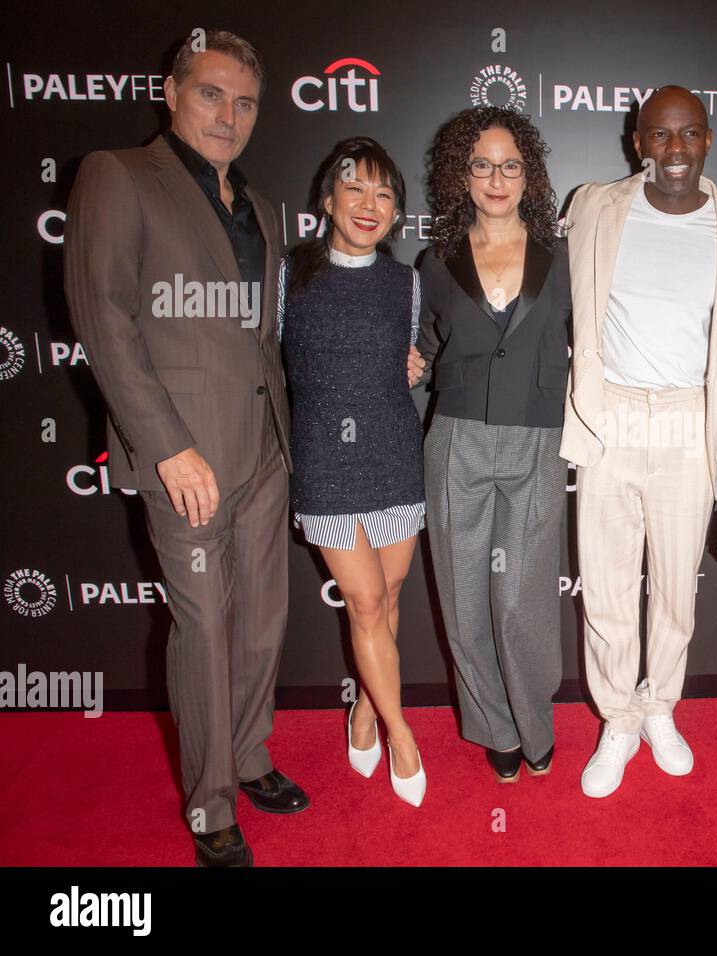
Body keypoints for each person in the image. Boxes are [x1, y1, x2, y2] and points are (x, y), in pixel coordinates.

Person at [63, 30, 307, 867]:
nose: (227, 116)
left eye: (244, 103)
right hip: (187, 460)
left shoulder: (264, 209)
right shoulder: (119, 176)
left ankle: (249, 756)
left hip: (265, 452)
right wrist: (166, 447)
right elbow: (105, 322)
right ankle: (210, 803)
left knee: (262, 623)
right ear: (171, 92)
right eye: (210, 94)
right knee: (204, 629)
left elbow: (263, 337)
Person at [562, 86, 717, 798]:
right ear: (638, 143)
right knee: (609, 584)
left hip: (689, 419)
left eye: (689, 135)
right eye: (660, 136)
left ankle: (660, 708)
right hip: (610, 413)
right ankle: (618, 718)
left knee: (677, 588)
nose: (674, 150)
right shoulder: (596, 207)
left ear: (709, 139)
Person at [409, 107, 570, 784]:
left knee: (521, 598)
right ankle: (495, 728)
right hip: (458, 439)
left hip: (535, 437)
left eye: (510, 164)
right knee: (465, 596)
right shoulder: (434, 261)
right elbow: (425, 342)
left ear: (528, 173)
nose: (496, 178)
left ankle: (535, 721)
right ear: (461, 175)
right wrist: (413, 359)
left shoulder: (565, 257)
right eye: (481, 164)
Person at [278, 137, 427, 808]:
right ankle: (400, 731)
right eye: (356, 189)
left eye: (385, 194)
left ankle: (365, 710)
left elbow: (410, 362)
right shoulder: (288, 275)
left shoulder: (407, 281)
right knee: (365, 601)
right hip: (325, 464)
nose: (370, 205)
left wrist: (415, 366)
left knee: (390, 600)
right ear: (327, 198)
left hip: (395, 455)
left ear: (397, 212)